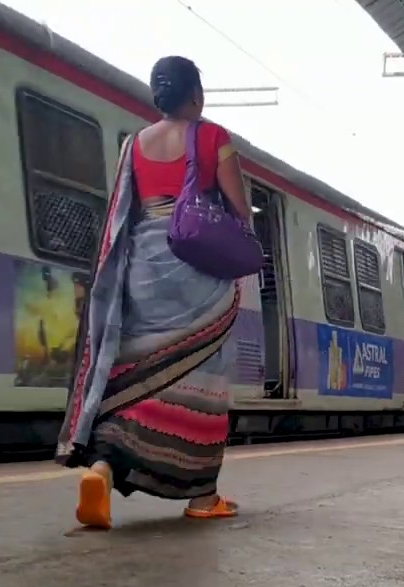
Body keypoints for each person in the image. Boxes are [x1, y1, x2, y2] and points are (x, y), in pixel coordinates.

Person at [56, 56, 255, 529]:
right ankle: (202, 497)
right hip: (196, 268)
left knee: (139, 376)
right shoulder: (212, 137)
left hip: (143, 269)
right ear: (195, 94)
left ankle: (102, 469)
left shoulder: (133, 144)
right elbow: (241, 210)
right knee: (200, 382)